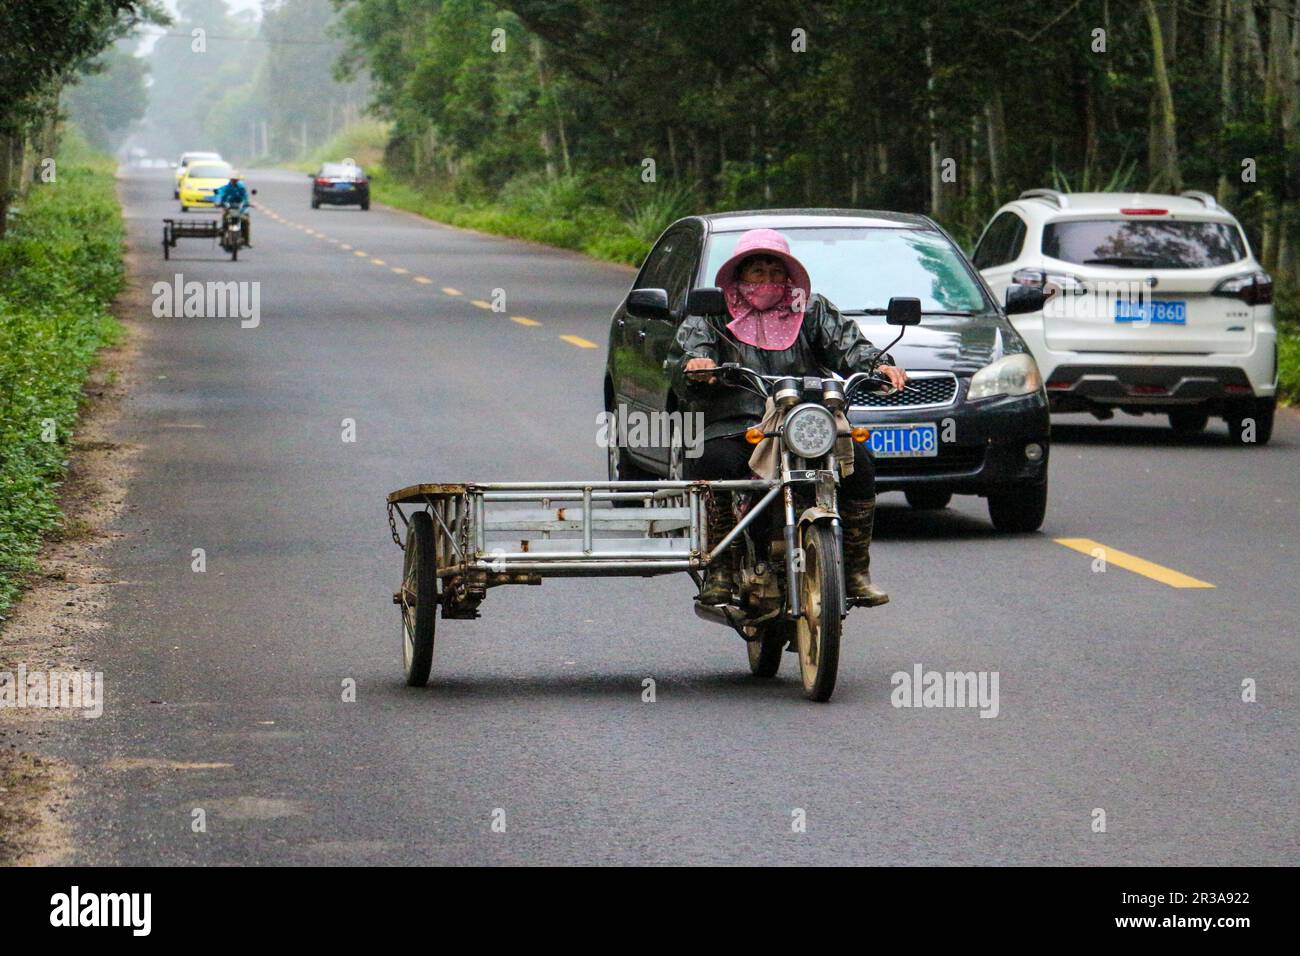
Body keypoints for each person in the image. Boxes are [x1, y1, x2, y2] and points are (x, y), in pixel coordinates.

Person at [669, 228, 908, 607]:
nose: (766, 280)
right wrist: (698, 365)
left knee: (860, 464)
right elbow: (687, 357)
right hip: (738, 422)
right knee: (715, 463)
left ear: (788, 277)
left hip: (804, 420)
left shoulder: (812, 309)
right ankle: (722, 567)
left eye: (774, 272)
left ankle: (855, 570)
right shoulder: (711, 314)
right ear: (738, 276)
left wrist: (879, 365)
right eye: (755, 272)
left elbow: (849, 347)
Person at [211, 174, 251, 247]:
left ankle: (246, 240)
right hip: (229, 206)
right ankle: (223, 235)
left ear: (238, 180)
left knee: (245, 221)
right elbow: (220, 193)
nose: (234, 181)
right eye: (232, 180)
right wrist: (219, 202)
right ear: (230, 180)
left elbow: (245, 196)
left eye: (235, 180)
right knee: (225, 218)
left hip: (239, 207)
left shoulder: (241, 187)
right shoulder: (226, 187)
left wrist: (246, 203)